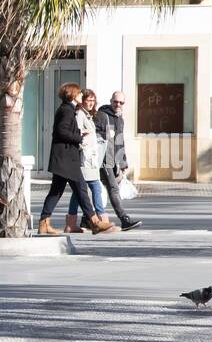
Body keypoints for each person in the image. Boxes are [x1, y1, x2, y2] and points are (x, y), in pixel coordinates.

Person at [37, 83, 115, 235]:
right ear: (72, 95)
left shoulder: (66, 109)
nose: (81, 96)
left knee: (56, 192)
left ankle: (44, 223)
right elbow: (61, 131)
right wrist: (79, 137)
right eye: (79, 94)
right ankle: (94, 222)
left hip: (63, 159)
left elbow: (63, 130)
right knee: (80, 188)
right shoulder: (67, 110)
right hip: (66, 160)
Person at [95, 90, 140, 231]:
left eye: (121, 102)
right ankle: (124, 219)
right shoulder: (103, 115)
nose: (118, 104)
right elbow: (95, 135)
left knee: (98, 189)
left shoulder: (120, 118)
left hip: (114, 160)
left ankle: (86, 220)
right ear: (111, 101)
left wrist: (123, 162)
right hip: (104, 158)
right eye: (115, 101)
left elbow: (120, 141)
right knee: (113, 188)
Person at [65, 89, 108, 233]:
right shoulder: (80, 115)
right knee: (95, 188)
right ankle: (102, 220)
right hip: (85, 159)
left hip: (90, 159)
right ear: (82, 101)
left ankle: (71, 224)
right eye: (88, 100)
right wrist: (83, 140)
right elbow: (75, 133)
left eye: (93, 100)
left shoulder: (87, 115)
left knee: (78, 193)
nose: (91, 103)